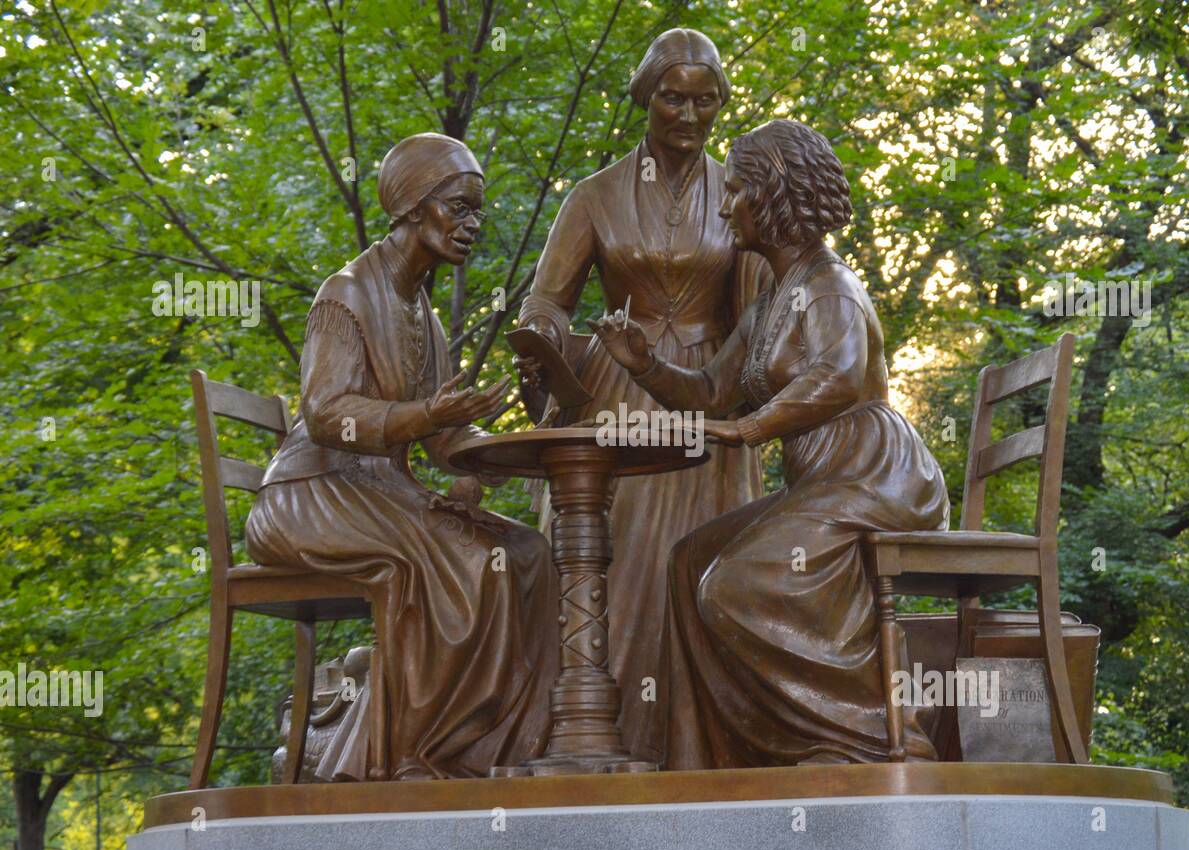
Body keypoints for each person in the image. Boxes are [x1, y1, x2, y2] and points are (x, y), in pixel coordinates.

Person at [593, 120, 951, 767]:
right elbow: (709, 391)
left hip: (874, 479)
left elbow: (839, 376)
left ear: (772, 197)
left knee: (733, 585)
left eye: (735, 192)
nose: (726, 206)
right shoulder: (767, 304)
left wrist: (753, 429)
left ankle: (868, 736)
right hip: (823, 485)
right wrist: (642, 363)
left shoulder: (829, 286)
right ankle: (710, 760)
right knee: (687, 562)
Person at [246, 133, 556, 781]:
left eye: (478, 211)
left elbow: (441, 447)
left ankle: (491, 750)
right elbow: (328, 414)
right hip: (309, 497)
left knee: (525, 553)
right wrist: (424, 418)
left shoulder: (426, 314)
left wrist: (524, 450)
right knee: (460, 561)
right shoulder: (346, 294)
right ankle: (407, 755)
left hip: (379, 495)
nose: (473, 225)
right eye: (459, 208)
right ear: (414, 206)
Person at [513, 29, 769, 764]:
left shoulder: (739, 195)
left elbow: (759, 307)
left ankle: (698, 749)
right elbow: (548, 301)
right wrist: (541, 342)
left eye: (706, 100)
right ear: (644, 97)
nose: (689, 115)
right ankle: (597, 737)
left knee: (699, 567)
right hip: (614, 392)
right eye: (673, 97)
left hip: (705, 397)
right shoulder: (593, 196)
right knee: (612, 564)